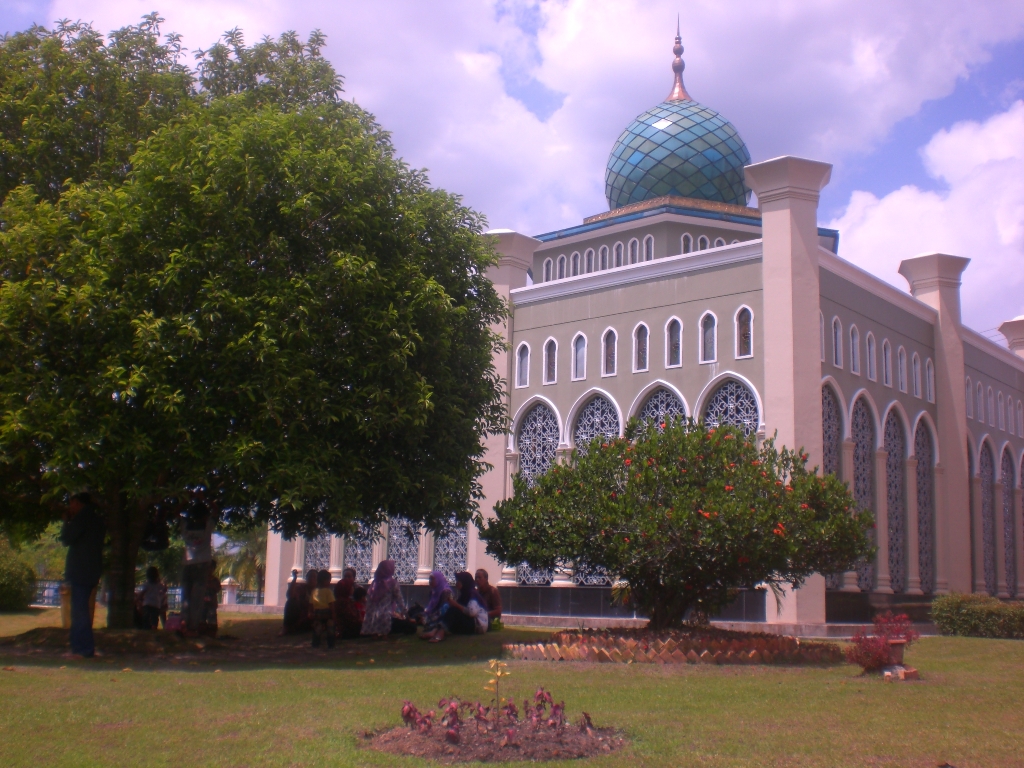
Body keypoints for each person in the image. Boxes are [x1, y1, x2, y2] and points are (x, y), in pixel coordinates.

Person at [60, 492, 106, 658]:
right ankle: (80, 647)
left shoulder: (82, 519)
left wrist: (67, 521)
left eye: (72, 503)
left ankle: (82, 649)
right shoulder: (97, 520)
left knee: (79, 611)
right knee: (81, 609)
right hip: (92, 569)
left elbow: (66, 539)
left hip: (80, 570)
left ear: (77, 503)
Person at [180, 497, 217, 634]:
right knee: (197, 598)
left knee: (186, 596)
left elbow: (175, 513)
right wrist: (207, 499)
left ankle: (184, 622)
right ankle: (193, 627)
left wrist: (185, 499)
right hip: (202, 564)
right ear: (204, 516)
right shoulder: (207, 527)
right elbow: (215, 511)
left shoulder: (186, 528)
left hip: (187, 564)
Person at [422, 571, 488, 642]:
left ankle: (439, 634)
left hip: (478, 625)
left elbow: (472, 612)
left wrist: (455, 604)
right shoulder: (464, 594)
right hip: (470, 622)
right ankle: (436, 631)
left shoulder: (472, 594)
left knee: (453, 610)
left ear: (464, 582)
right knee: (449, 610)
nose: (456, 583)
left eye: (458, 581)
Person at [360, 560, 415, 637]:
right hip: (385, 620)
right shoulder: (392, 583)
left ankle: (376, 634)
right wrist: (408, 617)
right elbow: (400, 602)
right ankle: (384, 633)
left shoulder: (374, 584)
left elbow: (369, 603)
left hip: (371, 622)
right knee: (412, 627)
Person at [310, 570, 336, 648]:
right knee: (330, 628)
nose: (329, 583)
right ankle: (330, 644)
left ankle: (315, 643)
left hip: (317, 613)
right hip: (327, 613)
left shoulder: (314, 591)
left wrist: (310, 612)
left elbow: (311, 604)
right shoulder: (328, 592)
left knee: (317, 629)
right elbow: (331, 604)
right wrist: (334, 615)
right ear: (325, 581)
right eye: (329, 581)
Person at [333, 569, 362, 639]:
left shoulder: (358, 589)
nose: (347, 579)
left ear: (354, 578)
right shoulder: (343, 600)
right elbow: (353, 618)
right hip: (350, 627)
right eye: (345, 576)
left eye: (349, 577)